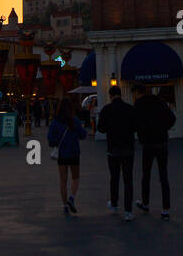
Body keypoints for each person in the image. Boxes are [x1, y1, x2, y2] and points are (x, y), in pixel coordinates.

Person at [133, 85, 176, 219]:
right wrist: (163, 129)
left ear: (138, 93)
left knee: (146, 174)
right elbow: (172, 119)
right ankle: (166, 209)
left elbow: (135, 123)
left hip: (148, 143)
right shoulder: (160, 102)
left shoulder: (139, 104)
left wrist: (142, 133)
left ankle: (145, 203)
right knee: (163, 175)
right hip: (161, 142)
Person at [95, 85, 137, 220]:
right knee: (128, 180)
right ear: (121, 94)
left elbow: (101, 129)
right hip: (128, 148)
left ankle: (114, 204)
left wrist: (110, 128)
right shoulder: (130, 109)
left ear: (110, 95)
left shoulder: (106, 109)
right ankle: (128, 211)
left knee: (114, 178)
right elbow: (135, 127)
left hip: (113, 148)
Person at [47, 97, 87, 215]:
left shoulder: (55, 122)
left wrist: (56, 141)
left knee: (63, 180)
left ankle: (64, 205)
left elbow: (50, 139)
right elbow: (83, 135)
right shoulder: (74, 120)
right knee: (76, 178)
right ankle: (72, 197)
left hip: (62, 153)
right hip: (74, 152)